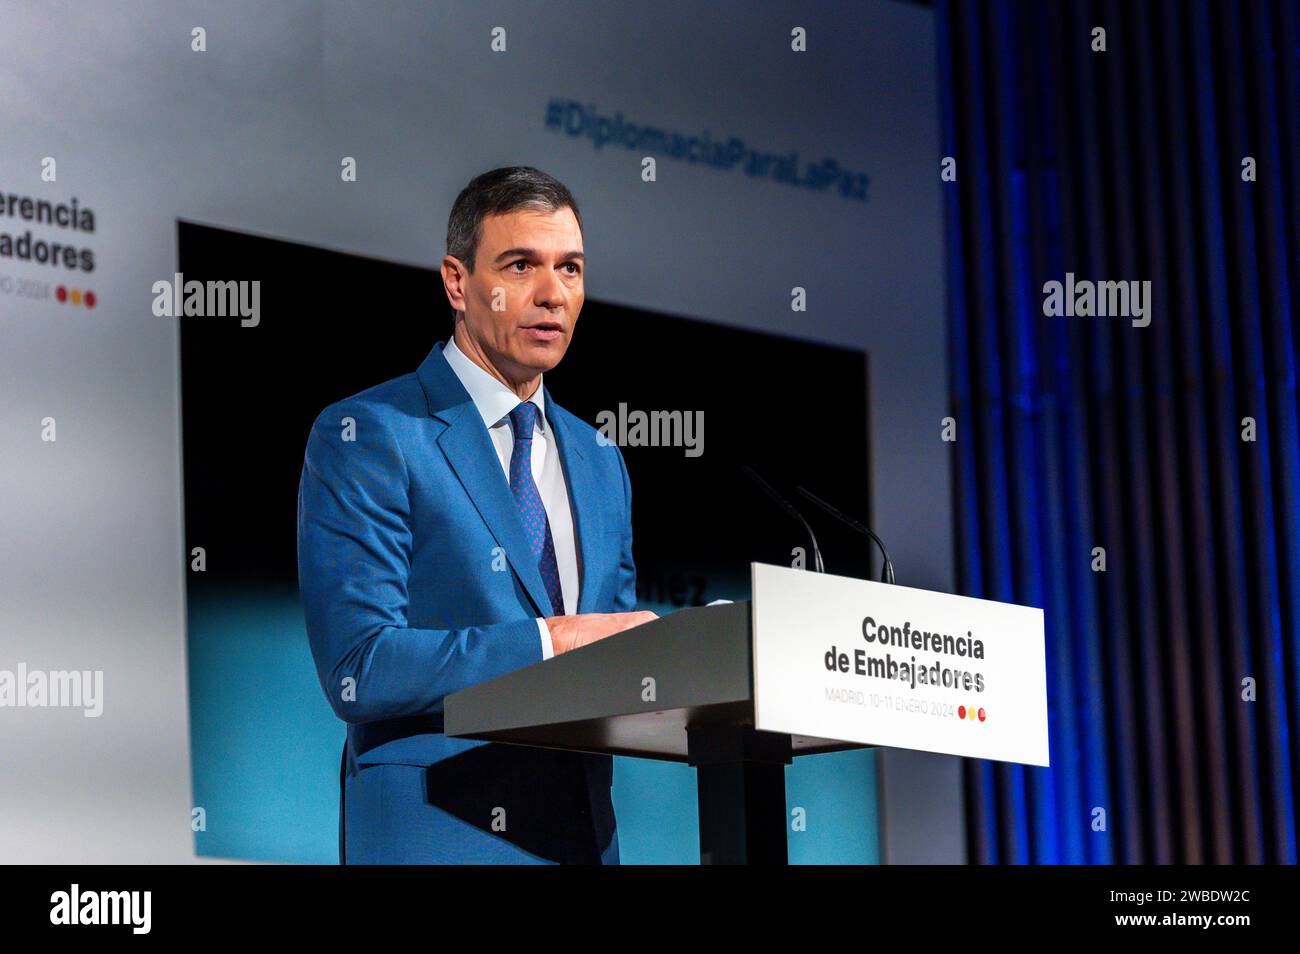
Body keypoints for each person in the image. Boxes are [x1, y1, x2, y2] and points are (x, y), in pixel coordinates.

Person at [297, 166, 655, 863]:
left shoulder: (600, 458)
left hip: (584, 840)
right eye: (520, 265)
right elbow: (360, 665)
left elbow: (613, 659)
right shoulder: (371, 432)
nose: (552, 293)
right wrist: (551, 642)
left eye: (570, 268)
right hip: (440, 831)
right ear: (457, 283)